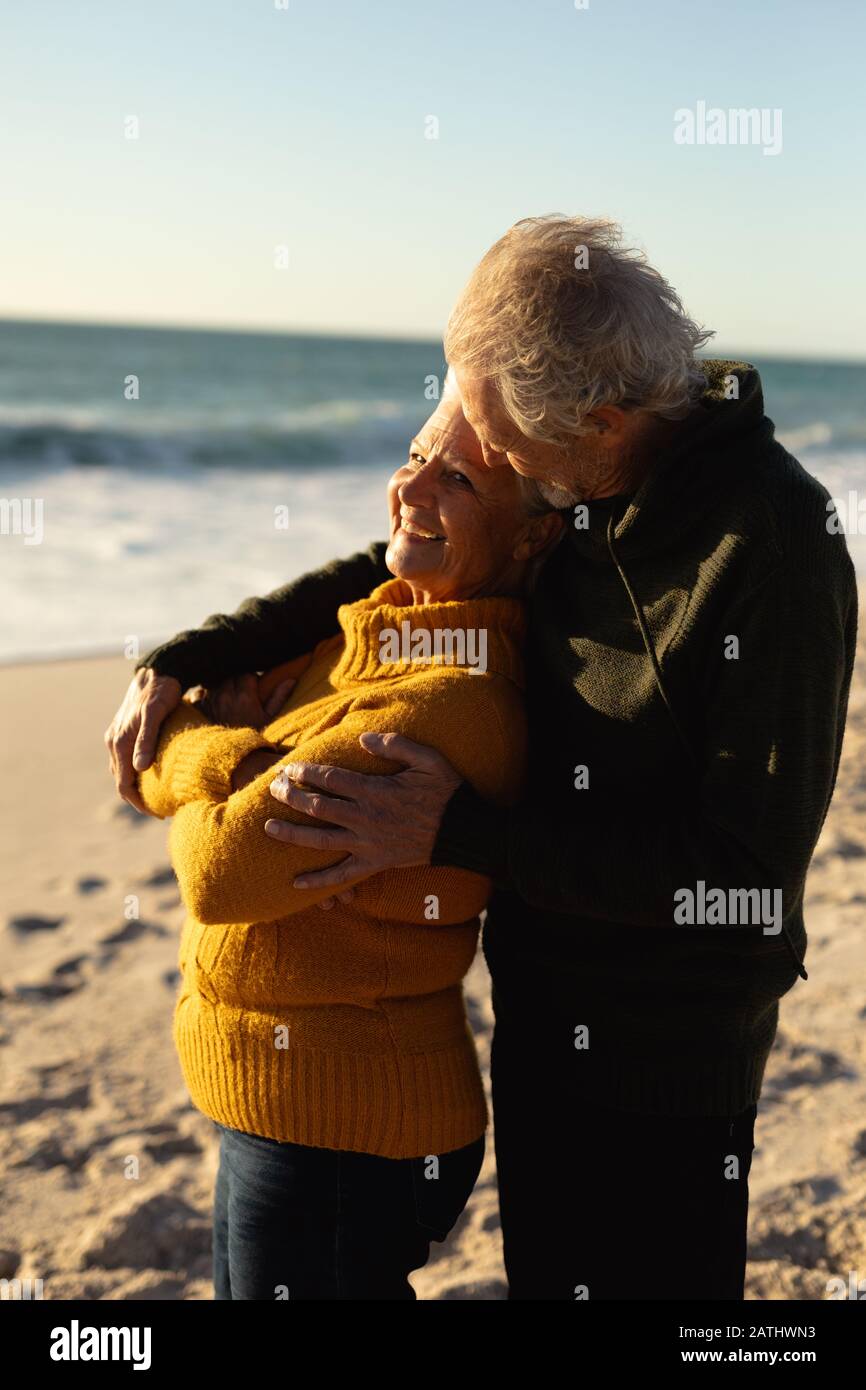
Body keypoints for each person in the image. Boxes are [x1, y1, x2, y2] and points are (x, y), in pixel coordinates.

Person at [107, 217, 858, 1301]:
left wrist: (460, 832)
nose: (482, 460)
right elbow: (401, 556)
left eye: (496, 452)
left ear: (597, 423)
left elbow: (739, 883)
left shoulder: (772, 548)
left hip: (666, 1052)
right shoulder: (576, 484)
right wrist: (194, 654)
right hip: (535, 1007)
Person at [128, 386, 562, 1300]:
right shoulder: (356, 637)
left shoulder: (453, 702)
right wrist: (233, 763)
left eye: (457, 478)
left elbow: (217, 871)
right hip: (281, 1105)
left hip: (349, 1125)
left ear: (533, 534)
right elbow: (187, 765)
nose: (410, 486)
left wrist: (199, 750)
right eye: (413, 453)